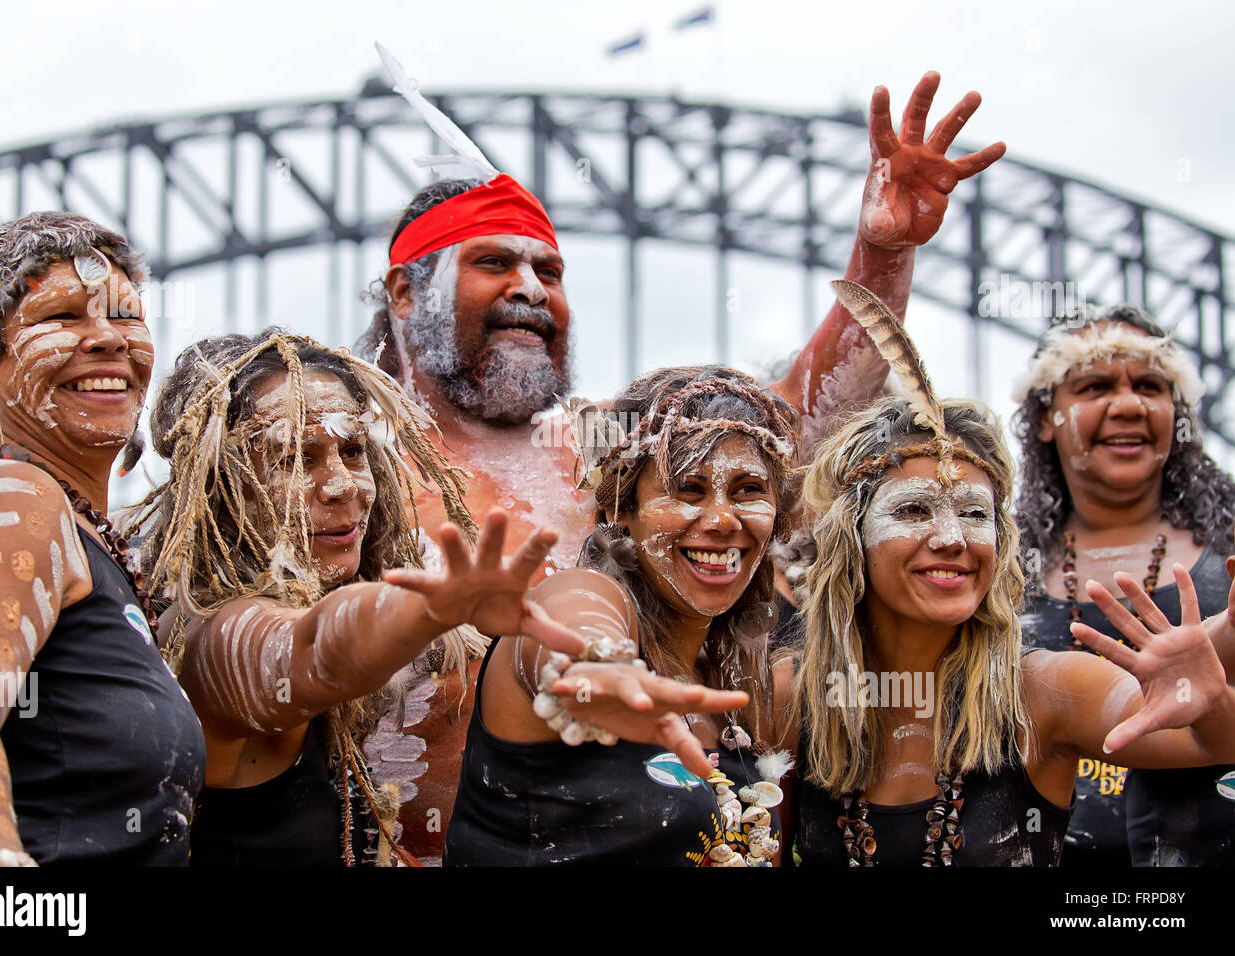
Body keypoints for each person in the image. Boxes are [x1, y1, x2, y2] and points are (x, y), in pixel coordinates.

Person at [356, 69, 1008, 847]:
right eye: (494, 264)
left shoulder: (597, 452)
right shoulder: (346, 465)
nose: (531, 288)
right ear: (404, 294)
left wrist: (882, 253)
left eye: (551, 272)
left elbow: (786, 425)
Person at [127, 329, 588, 865]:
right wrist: (426, 611)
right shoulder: (208, 633)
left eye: (352, 451)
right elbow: (310, 650)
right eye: (296, 459)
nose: (342, 485)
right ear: (219, 484)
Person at [779, 393, 1235, 866]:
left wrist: (1209, 699)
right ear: (850, 535)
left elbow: (1210, 744)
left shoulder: (1047, 691)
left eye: (975, 514)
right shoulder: (792, 698)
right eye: (914, 510)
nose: (952, 539)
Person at [386, 366, 802, 865]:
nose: (720, 519)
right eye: (688, 489)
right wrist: (595, 666)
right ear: (618, 511)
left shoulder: (741, 685)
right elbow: (576, 623)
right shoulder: (581, 595)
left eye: (748, 490)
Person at [0, 212, 204, 866]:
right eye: (61, 318)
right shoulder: (14, 496)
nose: (108, 339)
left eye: (126, 316)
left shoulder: (89, 540)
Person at [1012, 306, 1235, 866]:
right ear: (1045, 418)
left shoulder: (1231, 551)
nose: (1130, 405)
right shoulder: (990, 569)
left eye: (1151, 386)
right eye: (1095, 385)